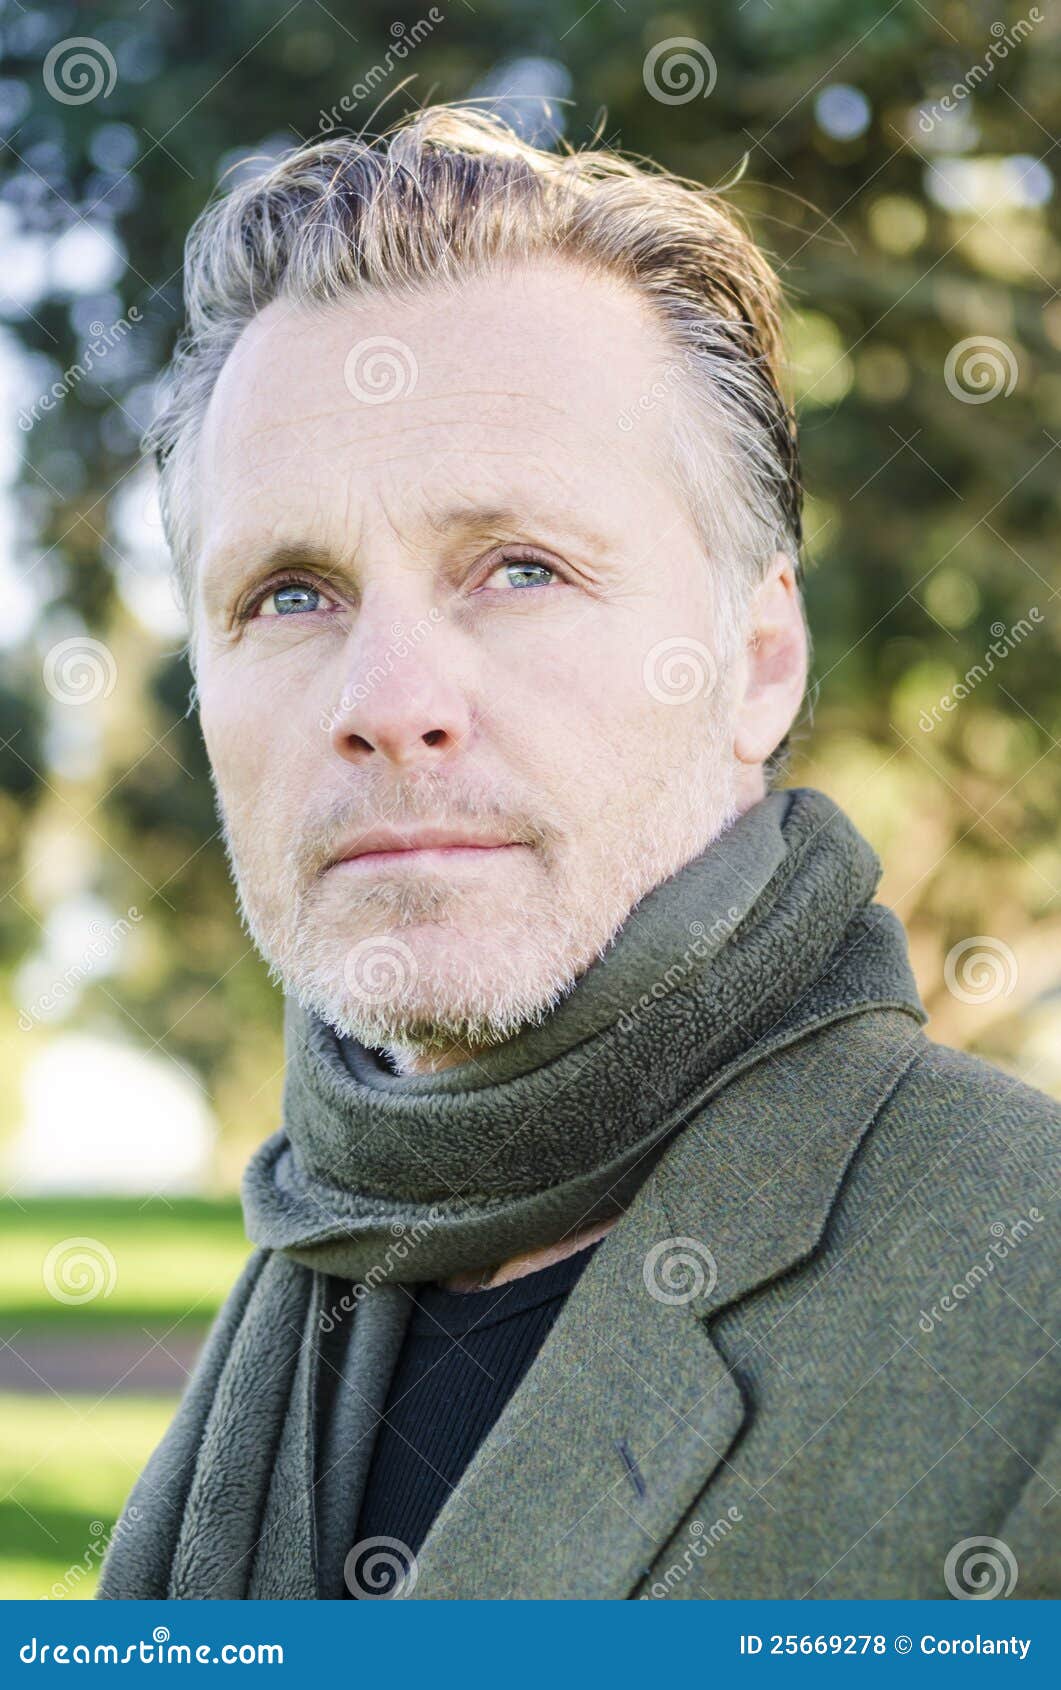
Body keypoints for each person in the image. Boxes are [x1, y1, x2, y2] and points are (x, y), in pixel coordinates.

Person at [97, 104, 1058, 1602]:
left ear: (757, 658)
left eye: (520, 567)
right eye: (291, 593)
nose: (387, 705)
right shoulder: (293, 1315)